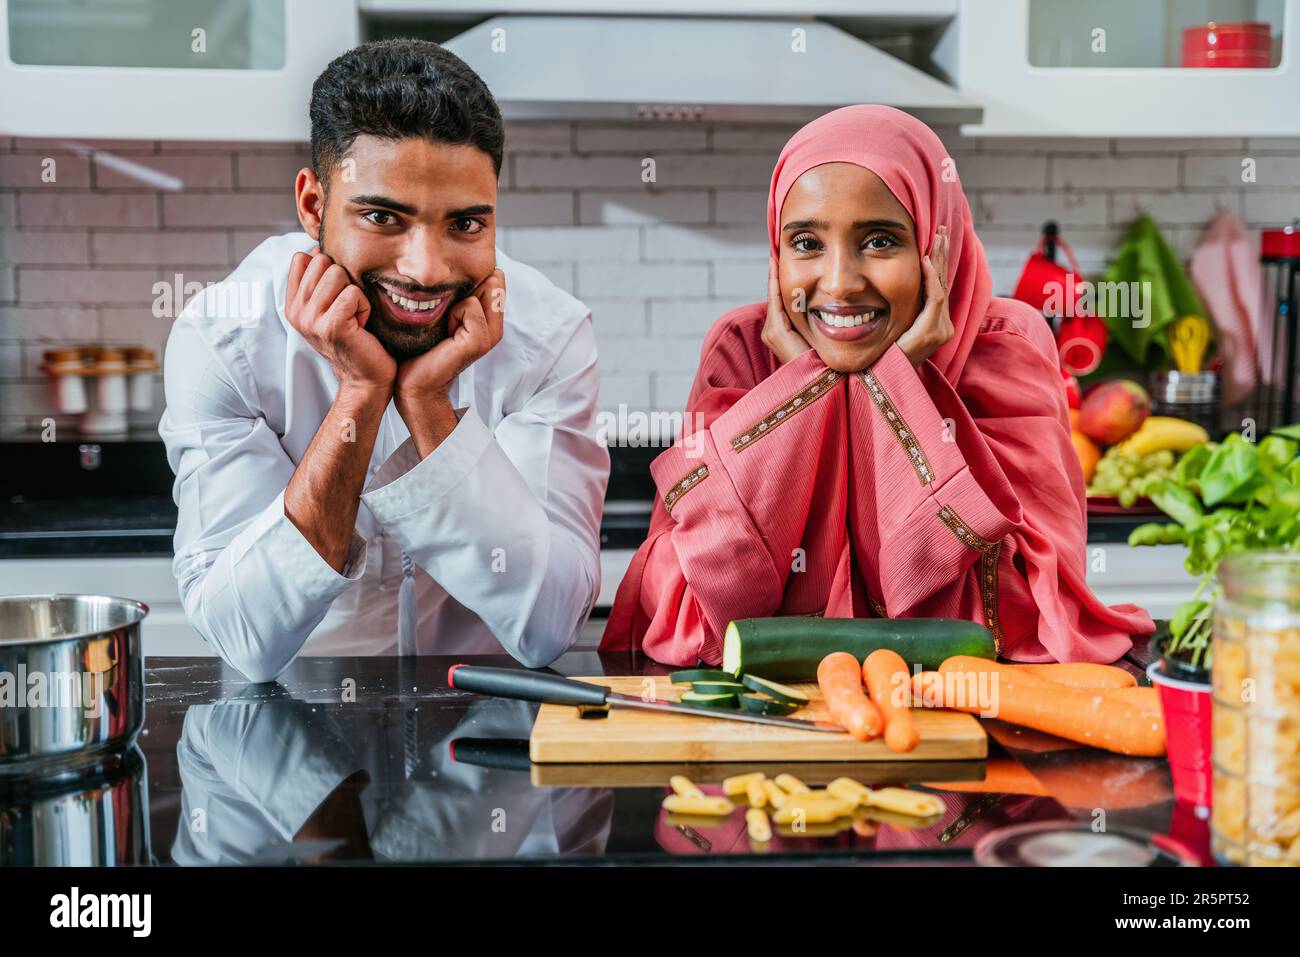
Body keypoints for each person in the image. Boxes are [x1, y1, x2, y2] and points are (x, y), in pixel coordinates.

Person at [602, 105, 1154, 666]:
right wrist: (803, 392)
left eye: (880, 240)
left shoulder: (1005, 344)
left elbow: (1026, 616)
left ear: (934, 246)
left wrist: (899, 381)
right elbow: (687, 612)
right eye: (806, 243)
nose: (840, 283)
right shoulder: (744, 350)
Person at [160, 39, 608, 682]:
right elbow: (244, 636)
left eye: (466, 225)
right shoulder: (225, 338)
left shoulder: (549, 335)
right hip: (295, 721)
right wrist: (360, 393)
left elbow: (547, 627)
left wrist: (427, 406)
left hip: (483, 723)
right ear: (313, 205)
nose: (426, 270)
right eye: (382, 217)